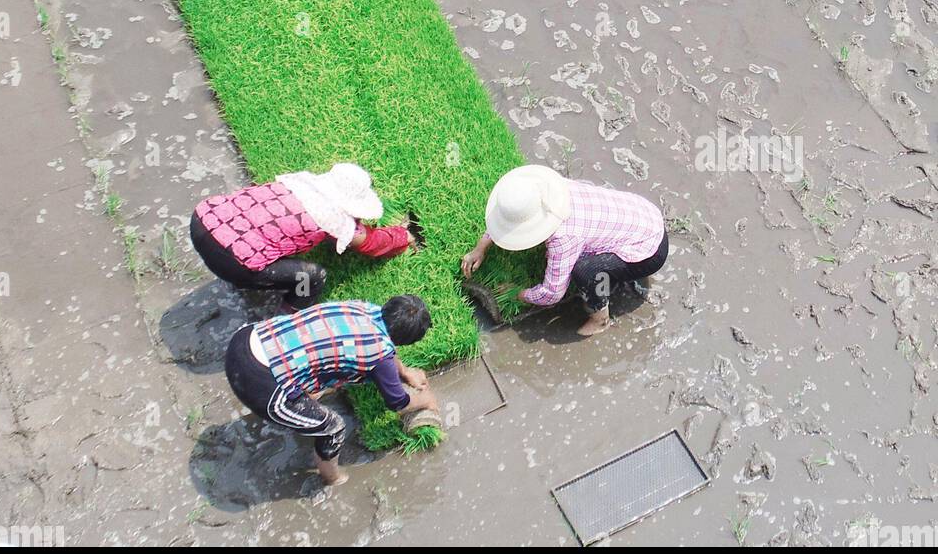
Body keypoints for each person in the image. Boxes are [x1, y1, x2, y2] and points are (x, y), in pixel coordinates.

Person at [225, 295, 437, 486]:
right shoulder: (380, 356)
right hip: (257, 383)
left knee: (314, 364)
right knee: (333, 427)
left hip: (247, 339)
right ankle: (332, 477)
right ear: (406, 341)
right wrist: (425, 400)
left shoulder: (364, 308)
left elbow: (385, 349)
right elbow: (398, 403)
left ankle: (302, 395)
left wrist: (404, 371)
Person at [461, 164, 668, 337]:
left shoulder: (563, 238)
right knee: (579, 261)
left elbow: (552, 293)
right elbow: (511, 218)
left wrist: (519, 295)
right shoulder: (553, 189)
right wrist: (480, 247)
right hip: (644, 212)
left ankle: (601, 319)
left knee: (586, 272)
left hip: (649, 252)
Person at [190, 163, 413, 307]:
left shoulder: (297, 187)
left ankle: (249, 281)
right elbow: (372, 244)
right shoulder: (332, 219)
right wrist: (405, 236)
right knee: (312, 277)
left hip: (202, 220)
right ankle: (292, 313)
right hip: (234, 262)